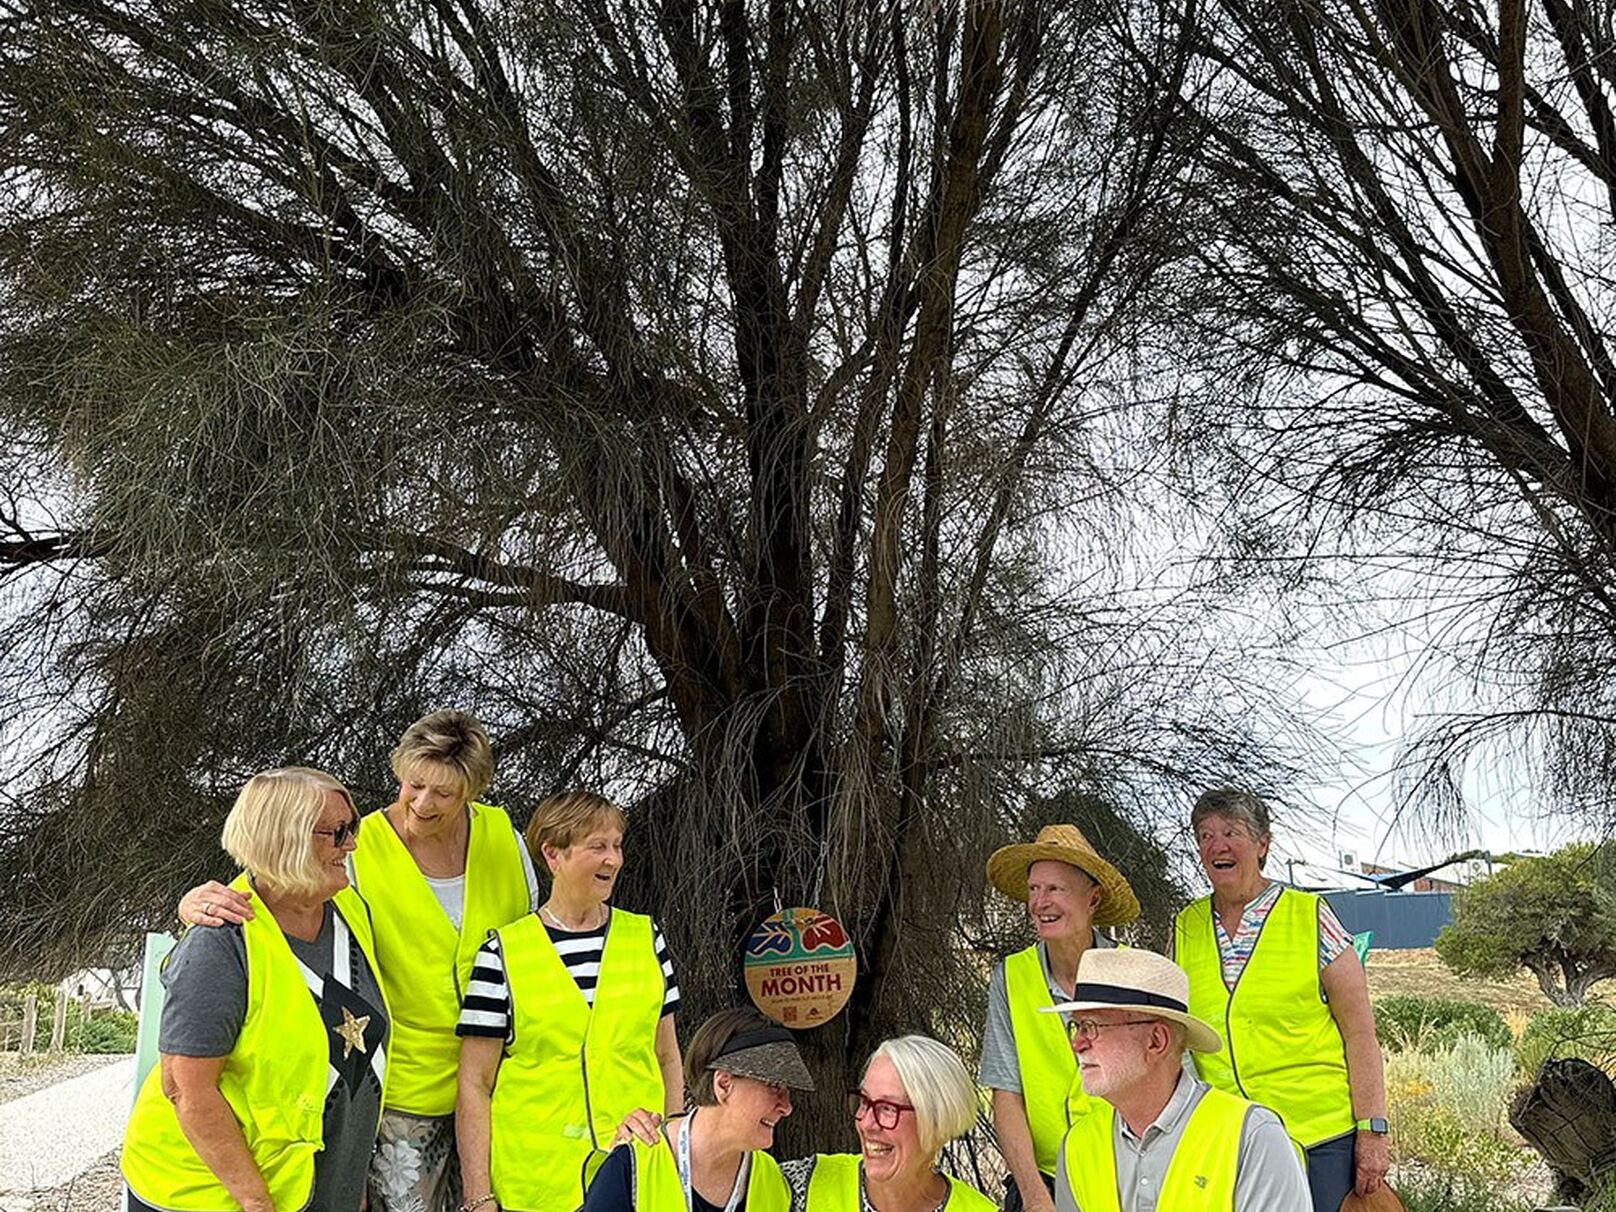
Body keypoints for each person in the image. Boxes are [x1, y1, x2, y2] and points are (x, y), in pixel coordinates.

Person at [177, 710, 539, 1212]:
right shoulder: (354, 849)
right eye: (414, 785)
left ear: (471, 792)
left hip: (502, 1087)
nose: (422, 803)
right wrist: (193, 905)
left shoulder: (505, 839)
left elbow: (535, 942)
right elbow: (274, 884)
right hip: (403, 1096)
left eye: (444, 793)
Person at [122, 767, 390, 1212]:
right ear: (285, 839)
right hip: (217, 1196)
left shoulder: (348, 909)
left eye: (353, 827)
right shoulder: (221, 941)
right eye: (338, 832)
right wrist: (256, 1202)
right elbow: (186, 1090)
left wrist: (350, 1180)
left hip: (313, 1188)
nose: (352, 844)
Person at [456, 789, 684, 1212]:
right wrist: (478, 1195)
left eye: (617, 846)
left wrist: (676, 1149)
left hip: (638, 1173)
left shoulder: (647, 939)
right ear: (553, 854)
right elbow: (474, 1083)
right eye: (598, 847)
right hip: (537, 1184)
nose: (613, 860)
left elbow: (667, 1055)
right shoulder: (501, 954)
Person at [1174, 787, 1391, 1212]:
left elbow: (1361, 1033)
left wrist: (1372, 1130)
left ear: (1262, 844)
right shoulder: (1184, 926)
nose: (1217, 845)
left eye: (1231, 832)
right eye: (1205, 835)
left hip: (1319, 1141)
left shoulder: (1310, 916)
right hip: (1230, 1139)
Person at [1044, 948, 1310, 1211]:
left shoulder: (1251, 1136)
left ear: (1156, 1041)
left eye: (1091, 1027)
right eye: (1076, 1027)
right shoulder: (1076, 1147)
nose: (1076, 1044)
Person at [980, 824, 1140, 1212]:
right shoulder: (1010, 978)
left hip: (1128, 1179)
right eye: (1034, 889)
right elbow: (1007, 1096)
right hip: (1042, 1183)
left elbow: (1168, 1083)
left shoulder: (1133, 973)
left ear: (1093, 899)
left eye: (1055, 889)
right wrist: (1035, 1197)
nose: (1040, 902)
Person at [584, 1008, 811, 1211]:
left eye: (787, 1090)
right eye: (773, 1086)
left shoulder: (771, 1179)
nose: (786, 1107)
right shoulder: (632, 1165)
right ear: (724, 1085)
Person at [782, 1035, 995, 1212]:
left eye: (888, 1108)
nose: (867, 1124)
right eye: (864, 1102)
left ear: (938, 1121)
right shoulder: (800, 1187)